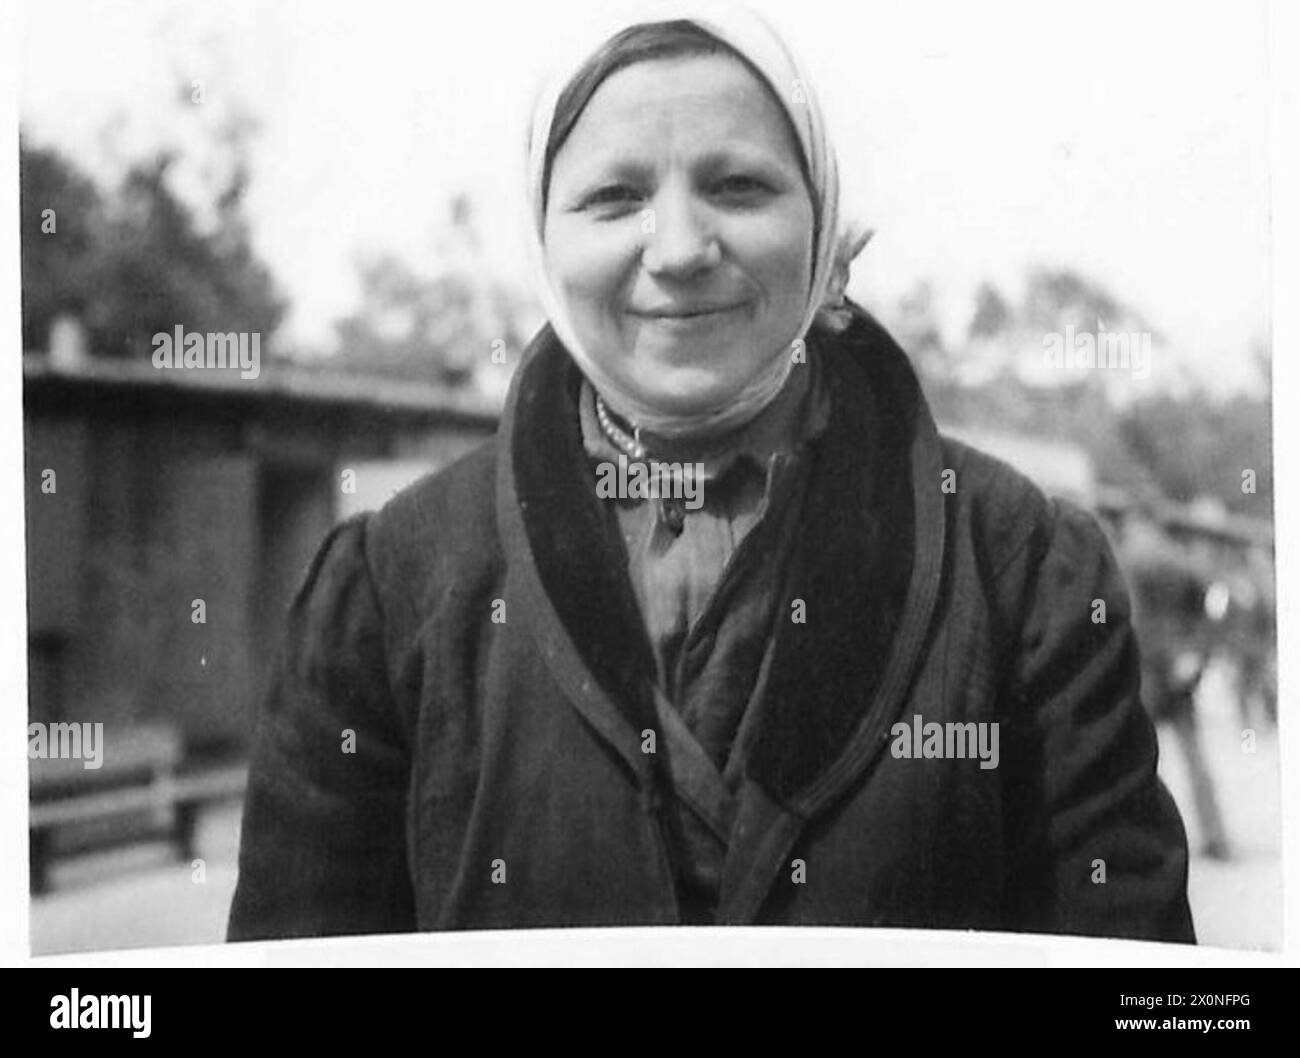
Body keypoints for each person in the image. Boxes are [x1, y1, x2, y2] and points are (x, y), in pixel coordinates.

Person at [228, 2, 1195, 943]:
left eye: (738, 187)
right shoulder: (394, 593)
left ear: (822, 225)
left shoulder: (1020, 571)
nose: (682, 250)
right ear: (542, 239)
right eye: (615, 198)